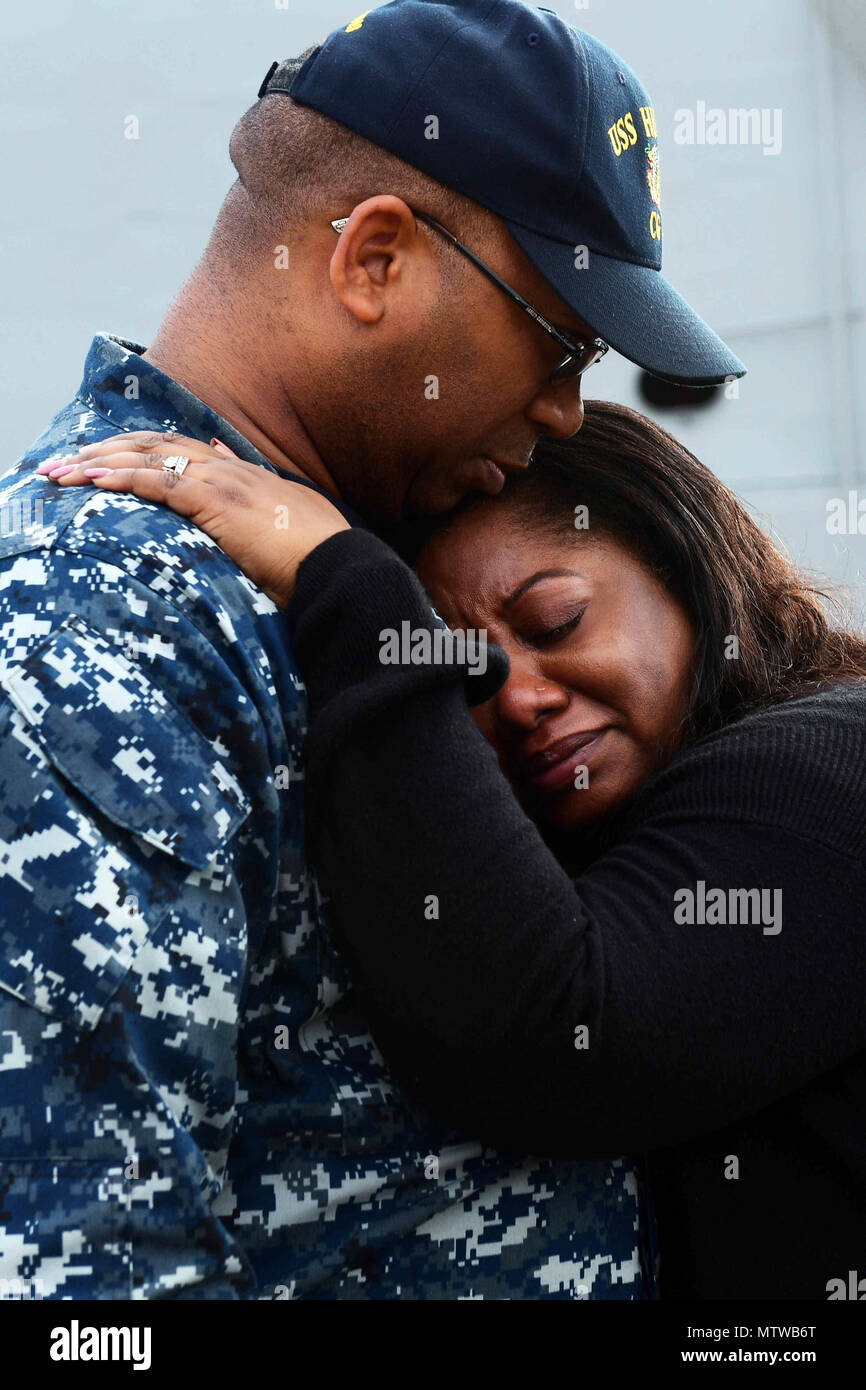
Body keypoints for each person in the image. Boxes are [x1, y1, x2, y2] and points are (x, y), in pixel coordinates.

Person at [1, 3, 743, 1300]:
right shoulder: (95, 616)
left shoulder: (367, 562)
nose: (570, 408)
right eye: (561, 338)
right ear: (375, 261)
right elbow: (87, 1275)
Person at [47, 399, 866, 1302]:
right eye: (465, 677)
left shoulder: (828, 766)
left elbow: (566, 1038)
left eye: (556, 622)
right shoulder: (618, 832)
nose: (518, 701)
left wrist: (340, 579)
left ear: (690, 572)